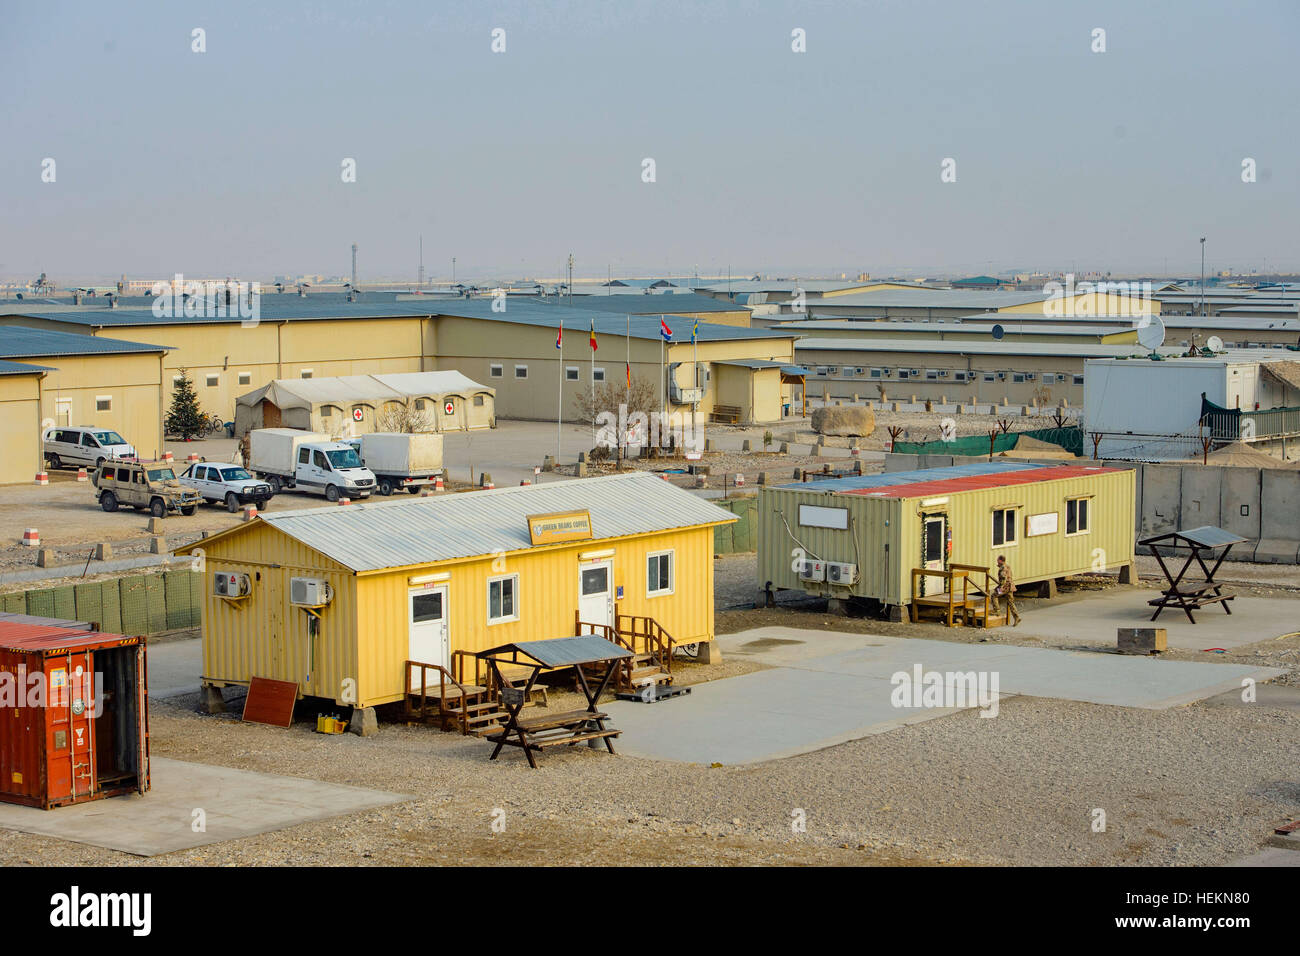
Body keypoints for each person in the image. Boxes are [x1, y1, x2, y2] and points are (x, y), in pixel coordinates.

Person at [993, 555, 1020, 626]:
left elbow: (1003, 578)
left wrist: (1001, 587)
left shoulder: (1002, 568)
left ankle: (997, 611)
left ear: (1001, 561)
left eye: (998, 560)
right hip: (1011, 586)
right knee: (1010, 601)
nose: (997, 562)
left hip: (1005, 587)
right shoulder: (1007, 566)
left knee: (994, 595)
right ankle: (1016, 617)